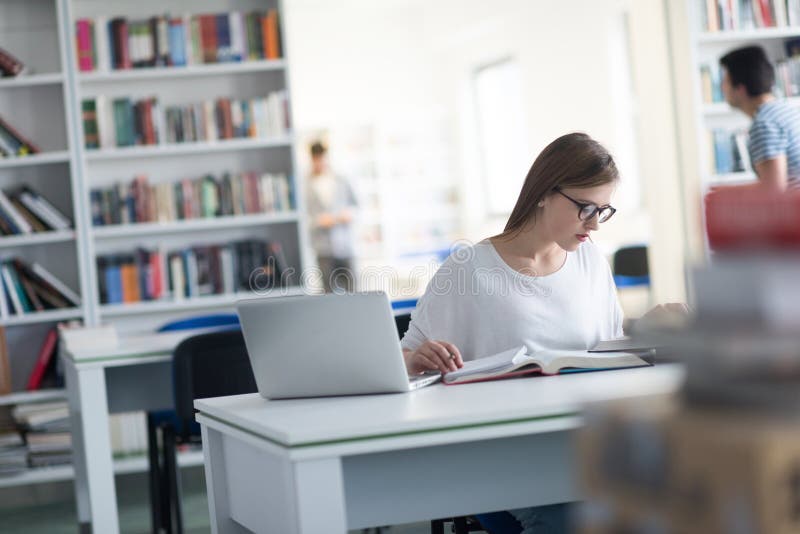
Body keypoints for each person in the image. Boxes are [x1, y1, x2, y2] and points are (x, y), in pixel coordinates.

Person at [400, 132, 683, 533]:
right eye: (586, 208)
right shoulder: (467, 269)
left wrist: (649, 329)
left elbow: (604, 349)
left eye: (603, 211)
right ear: (543, 193)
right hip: (506, 460)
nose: (594, 225)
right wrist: (415, 359)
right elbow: (398, 359)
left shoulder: (590, 261)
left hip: (584, 446)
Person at [719, 45, 800, 191]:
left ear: (740, 89)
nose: (721, 87)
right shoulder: (785, 109)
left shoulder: (765, 124)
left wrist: (723, 193)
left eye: (725, 80)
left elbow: (774, 190)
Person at [305, 140, 358, 292]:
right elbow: (304, 218)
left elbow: (356, 207)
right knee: (328, 293)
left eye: (322, 158)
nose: (320, 162)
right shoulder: (305, 184)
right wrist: (318, 221)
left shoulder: (342, 179)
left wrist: (349, 214)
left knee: (353, 291)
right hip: (323, 249)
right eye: (316, 159)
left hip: (345, 245)